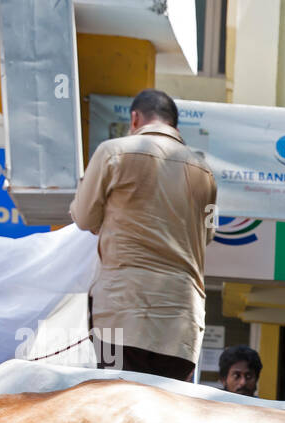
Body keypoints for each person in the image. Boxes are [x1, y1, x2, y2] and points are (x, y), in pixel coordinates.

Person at [70, 88, 218, 381]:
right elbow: (208, 235)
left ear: (135, 118)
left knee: (117, 410)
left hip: (122, 311)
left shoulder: (113, 152)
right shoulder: (205, 170)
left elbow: (84, 217)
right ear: (174, 124)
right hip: (182, 322)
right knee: (165, 415)